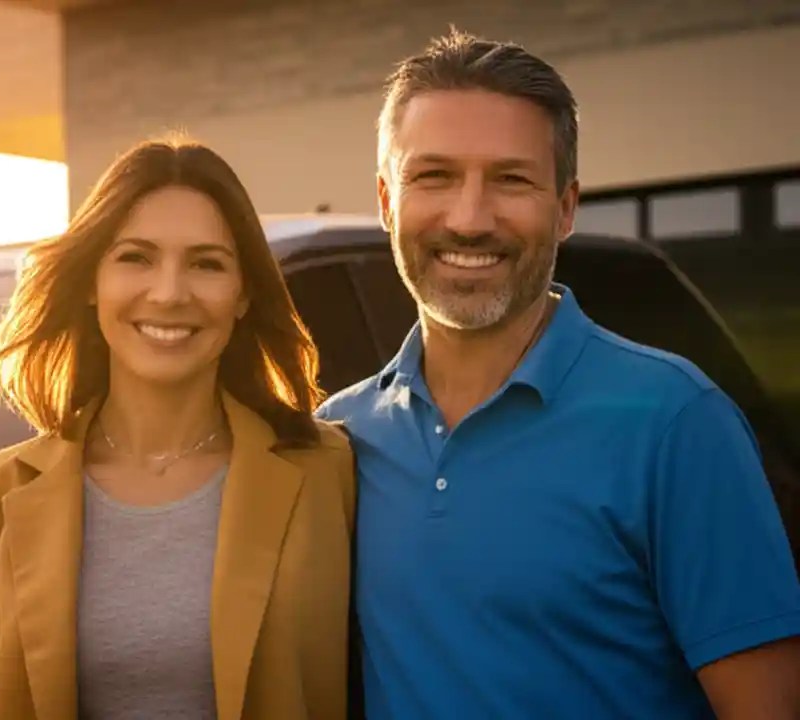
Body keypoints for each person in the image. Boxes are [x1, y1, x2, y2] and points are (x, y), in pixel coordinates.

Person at [317, 28, 800, 719]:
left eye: (510, 179)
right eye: (434, 176)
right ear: (388, 202)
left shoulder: (675, 421)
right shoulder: (337, 439)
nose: (469, 218)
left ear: (566, 207)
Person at [0, 136, 356, 719]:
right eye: (135, 258)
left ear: (244, 294)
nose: (169, 293)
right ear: (92, 283)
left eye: (206, 264)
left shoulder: (330, 474)